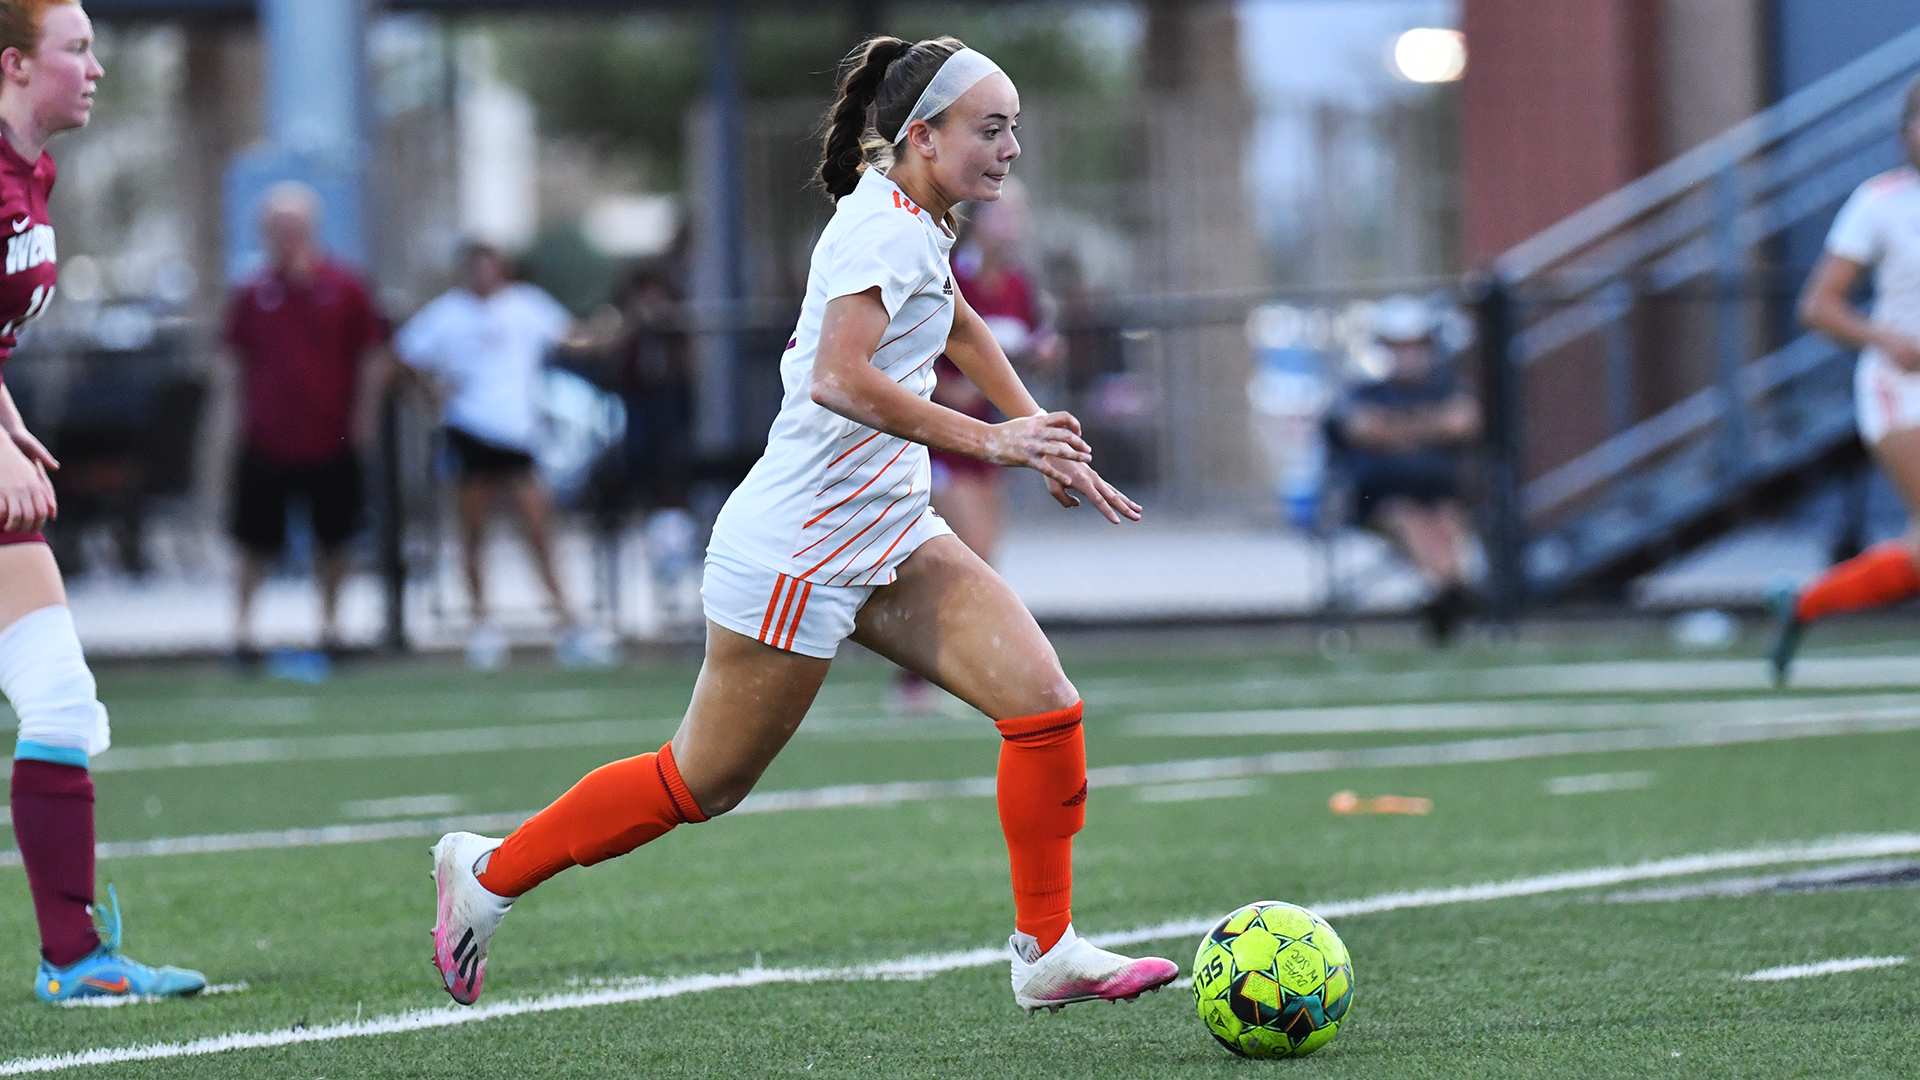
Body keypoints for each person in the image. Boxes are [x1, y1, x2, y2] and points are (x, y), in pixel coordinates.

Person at [428, 35, 1177, 1013]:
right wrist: (995, 445)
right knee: (700, 784)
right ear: (924, 135)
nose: (1012, 149)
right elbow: (839, 379)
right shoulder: (883, 230)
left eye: (1015, 130)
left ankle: (1045, 951)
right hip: (801, 554)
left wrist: (1026, 419)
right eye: (993, 130)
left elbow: (954, 322)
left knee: (1044, 709)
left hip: (890, 530)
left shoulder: (916, 216)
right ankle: (486, 875)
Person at [0, 0, 205, 1002]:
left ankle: (75, 961)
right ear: (12, 62)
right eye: (76, 49)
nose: (95, 67)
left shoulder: (29, 167)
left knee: (61, 698)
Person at [394, 240, 613, 670]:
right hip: (470, 432)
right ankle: (483, 626)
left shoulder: (526, 305)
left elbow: (572, 338)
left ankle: (569, 623)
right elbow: (403, 358)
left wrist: (611, 328)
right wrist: (430, 394)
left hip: (517, 435)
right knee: (474, 533)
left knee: (538, 529)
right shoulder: (446, 314)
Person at [1771, 78, 1920, 684]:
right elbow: (1818, 306)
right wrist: (1888, 340)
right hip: (1900, 386)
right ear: (1907, 131)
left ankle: (1802, 602)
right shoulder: (1880, 202)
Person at [891, 177, 1057, 712]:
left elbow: (1023, 349)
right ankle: (929, 677)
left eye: (1020, 215)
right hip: (946, 442)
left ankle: (933, 672)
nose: (1013, 225)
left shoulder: (1020, 286)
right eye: (1003, 214)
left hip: (992, 443)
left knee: (983, 559)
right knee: (972, 555)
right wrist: (951, 388)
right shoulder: (950, 278)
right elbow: (918, 357)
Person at [224, 181, 388, 660]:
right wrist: (234, 427)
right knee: (253, 541)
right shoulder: (253, 291)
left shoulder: (345, 286)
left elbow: (372, 356)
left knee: (335, 537)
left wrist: (364, 420)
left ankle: (331, 629)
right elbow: (235, 363)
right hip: (268, 436)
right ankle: (243, 634)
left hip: (329, 434)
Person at [1329, 296, 1481, 643]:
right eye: (1399, 346)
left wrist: (1396, 431)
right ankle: (1450, 591)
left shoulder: (1445, 386)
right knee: (1408, 518)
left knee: (1446, 519)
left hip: (1439, 490)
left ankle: (1446, 594)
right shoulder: (1366, 390)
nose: (1408, 355)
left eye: (1415, 346)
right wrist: (1430, 427)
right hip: (1381, 496)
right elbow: (1362, 428)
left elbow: (1463, 422)